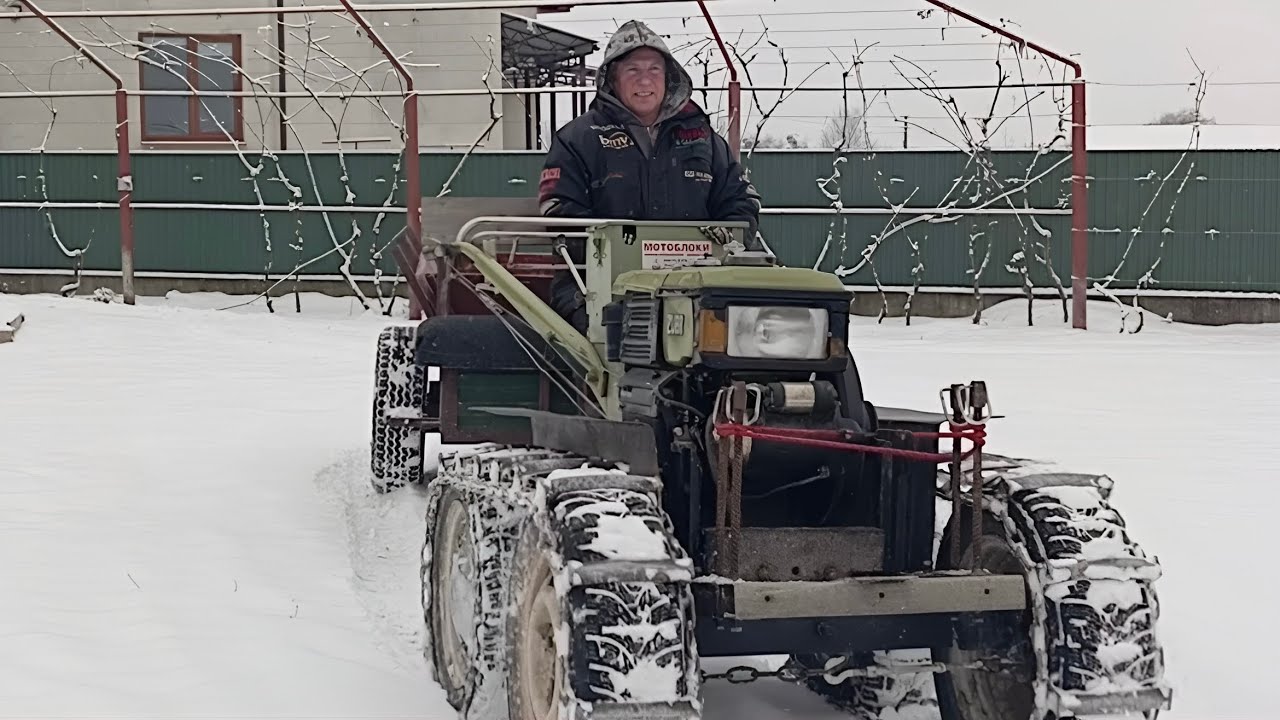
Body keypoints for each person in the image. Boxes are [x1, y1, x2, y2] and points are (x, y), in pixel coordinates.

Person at [537, 19, 762, 332]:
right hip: (594, 288)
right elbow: (560, 212)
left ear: (669, 78)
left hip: (700, 287)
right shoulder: (578, 139)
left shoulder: (703, 138)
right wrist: (621, 259)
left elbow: (740, 201)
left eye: (654, 69)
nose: (645, 80)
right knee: (608, 338)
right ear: (612, 79)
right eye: (633, 70)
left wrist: (727, 241)